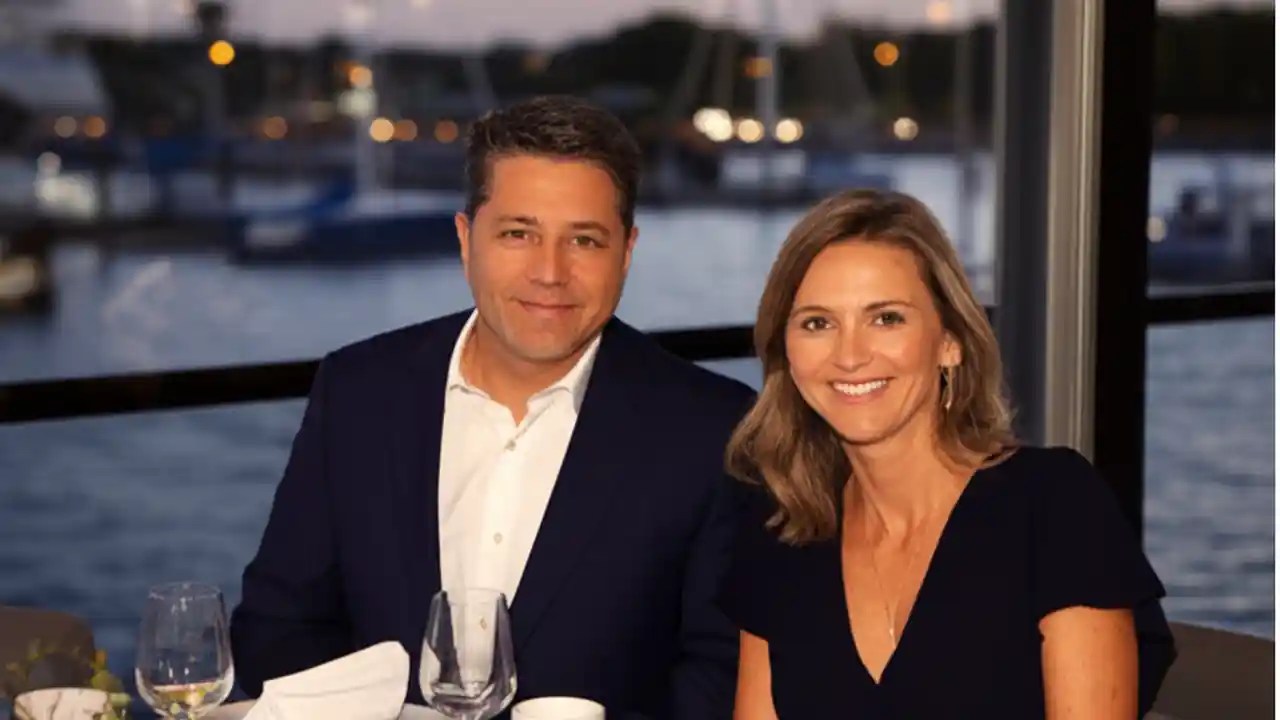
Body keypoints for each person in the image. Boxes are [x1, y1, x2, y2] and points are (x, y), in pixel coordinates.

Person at [230, 95, 753, 719]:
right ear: (465, 238)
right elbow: (276, 627)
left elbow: (722, 677)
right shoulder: (359, 391)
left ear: (627, 251)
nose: (550, 272)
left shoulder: (712, 428)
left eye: (584, 240)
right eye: (518, 233)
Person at [719, 189, 1175, 719]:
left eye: (886, 318)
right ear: (787, 353)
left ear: (950, 342)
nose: (849, 355)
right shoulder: (784, 529)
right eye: (818, 323)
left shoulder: (1054, 507)